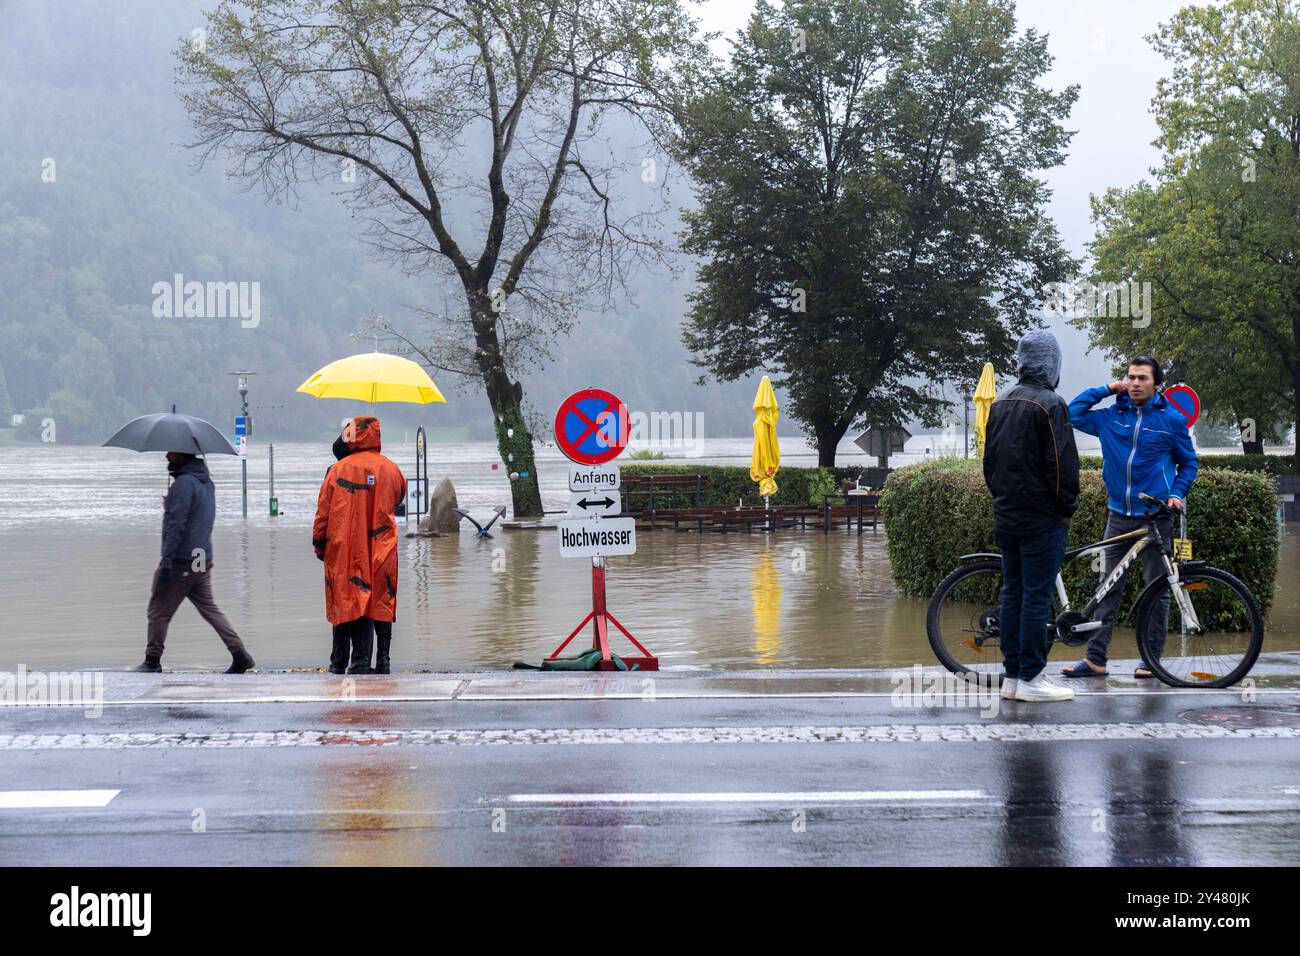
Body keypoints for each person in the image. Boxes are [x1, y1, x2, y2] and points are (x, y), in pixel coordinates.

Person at [1062, 356, 1198, 679]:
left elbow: (1189, 464)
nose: (1135, 383)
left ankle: (1150, 660)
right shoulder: (1111, 416)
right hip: (1118, 515)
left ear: (1157, 384)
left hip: (1155, 518)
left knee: (1158, 590)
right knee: (1108, 587)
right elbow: (1071, 413)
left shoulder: (1172, 420)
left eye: (1142, 378)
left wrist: (1178, 493)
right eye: (1130, 377)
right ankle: (1095, 660)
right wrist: (1106, 389)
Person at [982, 330, 1080, 702]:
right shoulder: (1050, 404)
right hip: (1042, 519)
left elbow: (989, 464)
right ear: (1052, 364)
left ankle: (1012, 676)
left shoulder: (1001, 401)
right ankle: (1032, 677)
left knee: (1014, 593)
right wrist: (1065, 507)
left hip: (1006, 516)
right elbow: (1061, 466)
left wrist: (1004, 499)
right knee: (1037, 597)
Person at [132, 452, 255, 674]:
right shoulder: (206, 483)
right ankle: (240, 653)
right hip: (202, 557)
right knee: (209, 607)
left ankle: (152, 660)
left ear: (182, 456)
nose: (167, 456)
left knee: (158, 610)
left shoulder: (184, 485)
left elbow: (176, 525)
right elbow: (197, 518)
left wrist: (167, 561)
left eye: (171, 453)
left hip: (183, 559)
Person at [312, 417, 406, 675]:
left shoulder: (337, 471)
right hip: (382, 545)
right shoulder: (391, 469)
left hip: (344, 547)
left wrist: (319, 543)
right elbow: (399, 496)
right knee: (381, 599)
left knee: (349, 599)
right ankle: (382, 662)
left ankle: (346, 663)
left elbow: (323, 513)